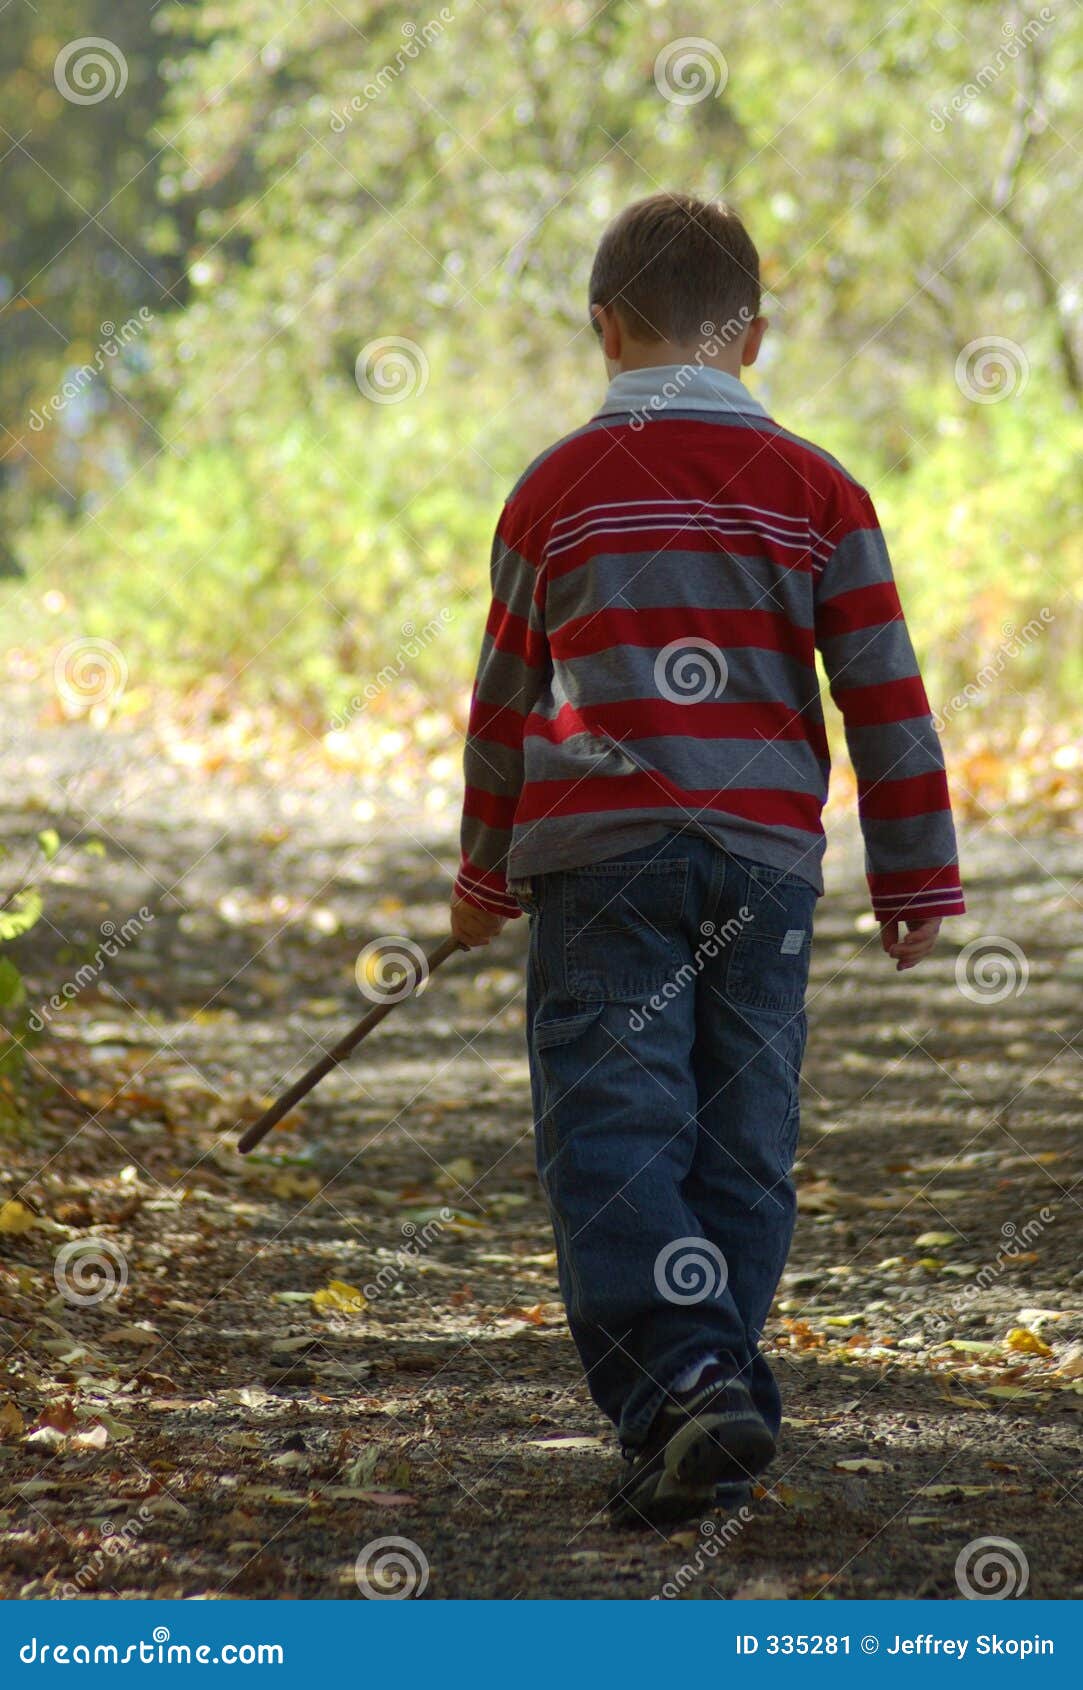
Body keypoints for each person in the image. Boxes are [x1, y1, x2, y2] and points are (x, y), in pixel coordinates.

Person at [449, 192, 965, 1528]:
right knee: (744, 1129)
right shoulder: (820, 490)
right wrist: (917, 879)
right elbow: (886, 700)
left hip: (599, 863)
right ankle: (713, 1383)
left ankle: (680, 1378)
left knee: (612, 1122)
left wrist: (480, 874)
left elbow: (504, 705)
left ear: (604, 329)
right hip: (762, 865)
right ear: (757, 334)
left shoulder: (552, 489)